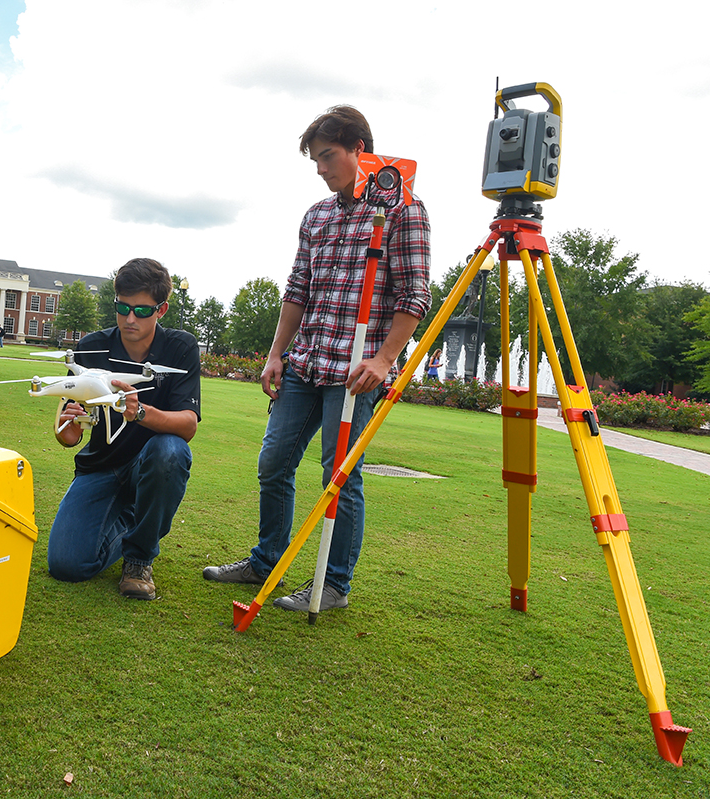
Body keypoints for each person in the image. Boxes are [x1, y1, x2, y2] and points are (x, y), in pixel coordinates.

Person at [203, 105, 431, 612]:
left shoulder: (402, 210)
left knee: (339, 479)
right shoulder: (317, 215)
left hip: (354, 374)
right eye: (316, 161)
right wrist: (275, 354)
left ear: (359, 151)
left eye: (329, 156)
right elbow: (297, 290)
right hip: (304, 363)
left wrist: (385, 358)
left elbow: (415, 294)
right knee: (273, 464)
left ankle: (333, 585)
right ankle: (265, 562)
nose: (322, 168)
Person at [46, 258, 200, 601]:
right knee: (66, 566)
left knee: (171, 452)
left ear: (161, 310)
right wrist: (67, 426)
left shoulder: (180, 347)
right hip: (100, 466)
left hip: (152, 462)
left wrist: (140, 411)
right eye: (122, 307)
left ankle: (139, 557)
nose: (130, 319)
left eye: (142, 311)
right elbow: (68, 434)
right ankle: (134, 520)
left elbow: (188, 426)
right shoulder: (90, 347)